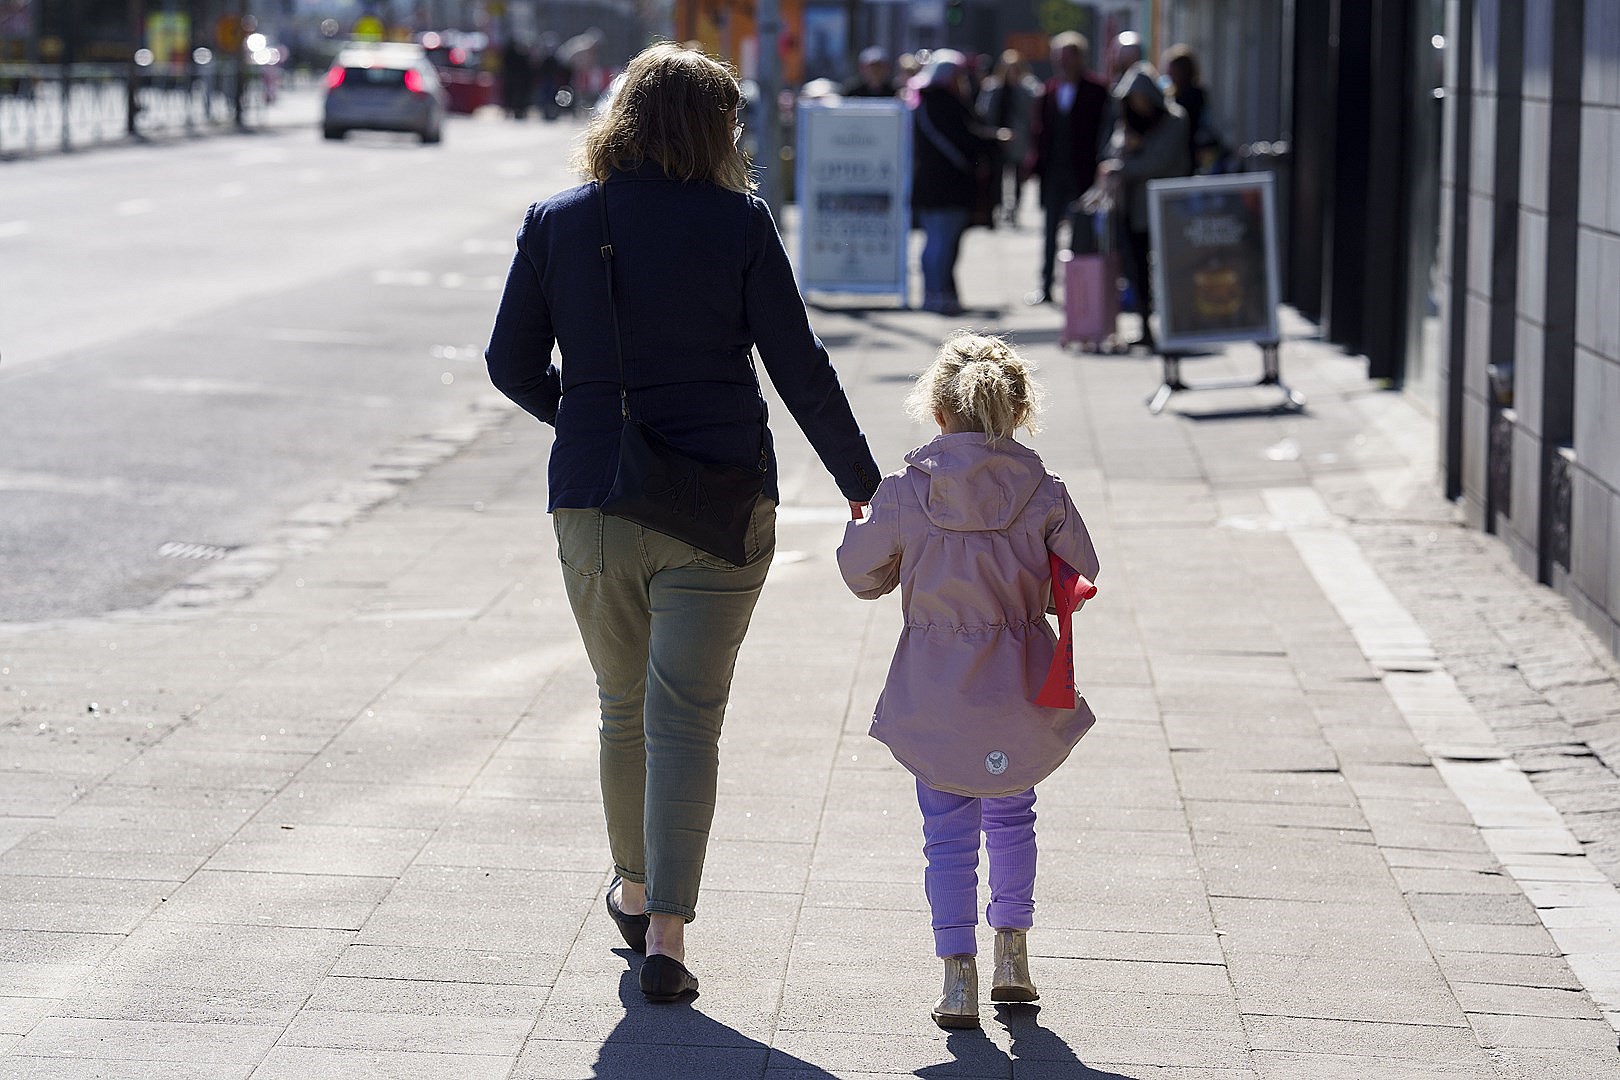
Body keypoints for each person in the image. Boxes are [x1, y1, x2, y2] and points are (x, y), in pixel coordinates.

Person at [485, 42, 882, 1003]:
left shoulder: (558, 223)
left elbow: (506, 363)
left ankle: (631, 884)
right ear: (716, 132)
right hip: (720, 505)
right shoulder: (738, 223)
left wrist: (584, 419)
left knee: (623, 706)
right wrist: (864, 483)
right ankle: (665, 934)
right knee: (686, 718)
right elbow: (800, 367)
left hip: (593, 498)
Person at [837, 332, 1101, 1029]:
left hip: (935, 689)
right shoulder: (1044, 492)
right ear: (1017, 413)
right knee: (1014, 814)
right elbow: (1077, 576)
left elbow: (861, 575)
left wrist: (867, 529)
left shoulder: (905, 494)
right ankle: (1013, 954)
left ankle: (957, 977)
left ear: (938, 413)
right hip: (1017, 682)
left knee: (946, 831)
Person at [1098, 63, 1190, 350]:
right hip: (1133, 209)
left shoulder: (1175, 119)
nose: (1138, 105)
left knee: (1171, 269)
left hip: (1167, 208)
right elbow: (1110, 152)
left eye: (1141, 98)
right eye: (1132, 100)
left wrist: (1128, 162)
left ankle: (1178, 326)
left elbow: (1159, 162)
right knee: (1137, 270)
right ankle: (1145, 325)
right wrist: (1125, 152)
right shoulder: (1126, 122)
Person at [911, 50, 1007, 315]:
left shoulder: (924, 102)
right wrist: (993, 141)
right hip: (946, 187)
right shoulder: (942, 101)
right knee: (941, 243)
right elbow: (964, 138)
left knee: (936, 241)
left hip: (931, 186)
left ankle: (936, 292)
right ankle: (937, 293)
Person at [1022, 32, 1109, 305]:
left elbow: (1103, 133)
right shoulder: (1048, 90)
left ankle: (1078, 289)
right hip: (1053, 173)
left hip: (1083, 173)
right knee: (1049, 231)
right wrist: (1033, 166)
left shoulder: (1097, 90)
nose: (1060, 62)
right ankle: (1046, 285)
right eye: (1057, 56)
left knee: (1081, 234)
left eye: (1066, 56)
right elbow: (1040, 133)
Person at [975, 49, 1039, 225]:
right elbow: (983, 112)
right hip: (996, 140)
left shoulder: (1027, 89)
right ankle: (995, 210)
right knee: (997, 178)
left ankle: (1014, 210)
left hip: (1019, 140)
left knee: (1018, 178)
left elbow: (1033, 112)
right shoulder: (993, 87)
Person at [1162, 44, 1217, 173]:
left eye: (1172, 69)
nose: (1168, 73)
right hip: (1179, 150)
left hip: (1189, 149)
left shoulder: (1192, 95)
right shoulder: (1173, 94)